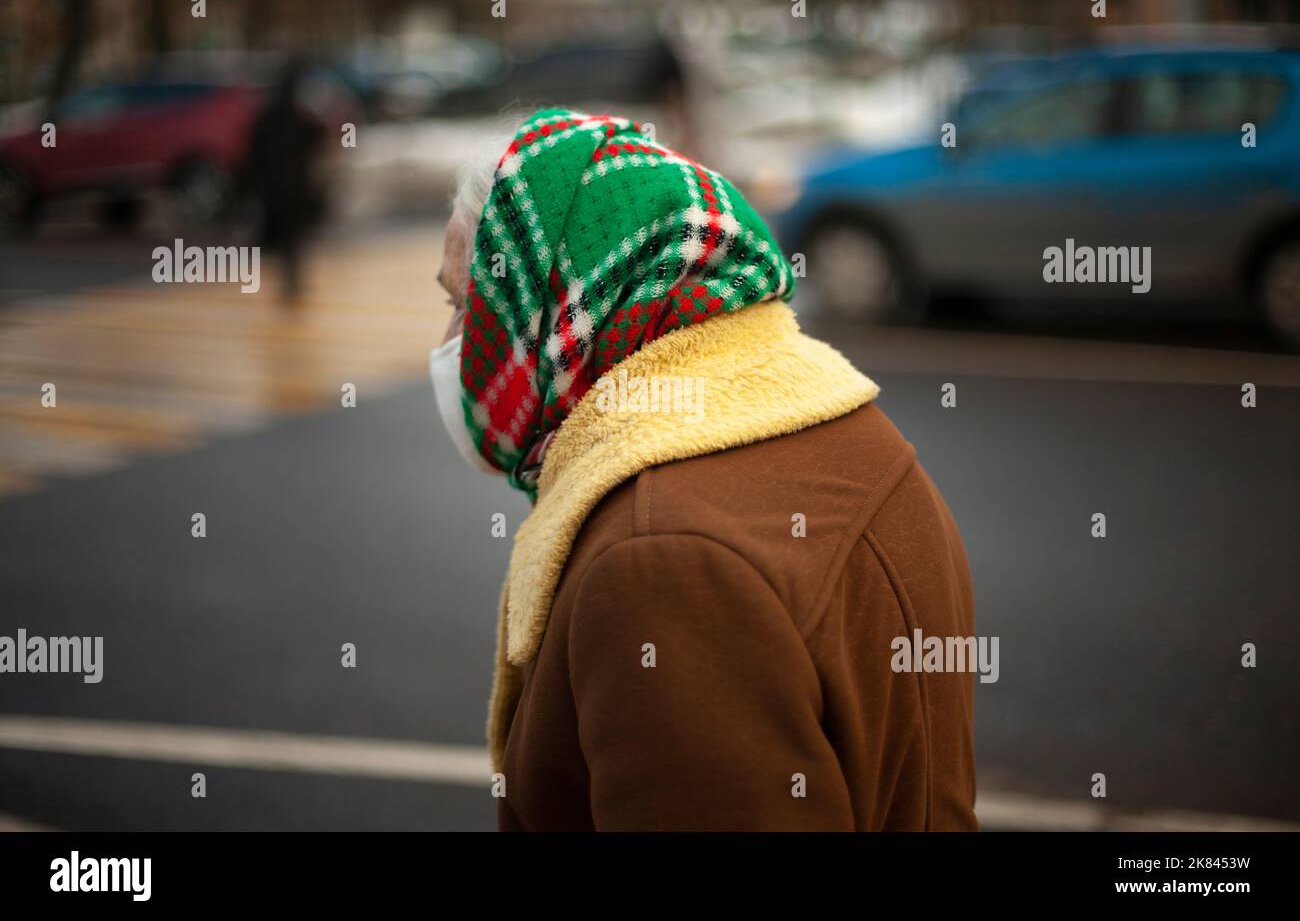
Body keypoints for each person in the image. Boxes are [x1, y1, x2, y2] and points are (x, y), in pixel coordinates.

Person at [429, 108, 978, 831]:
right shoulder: (847, 422)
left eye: (462, 304)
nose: (445, 342)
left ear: (546, 303)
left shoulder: (658, 565)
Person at [248, 58, 327, 306]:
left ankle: (289, 280)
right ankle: (291, 279)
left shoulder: (269, 115)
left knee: (285, 237)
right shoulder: (298, 115)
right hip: (294, 186)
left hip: (277, 187)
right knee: (292, 237)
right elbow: (317, 138)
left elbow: (255, 149)